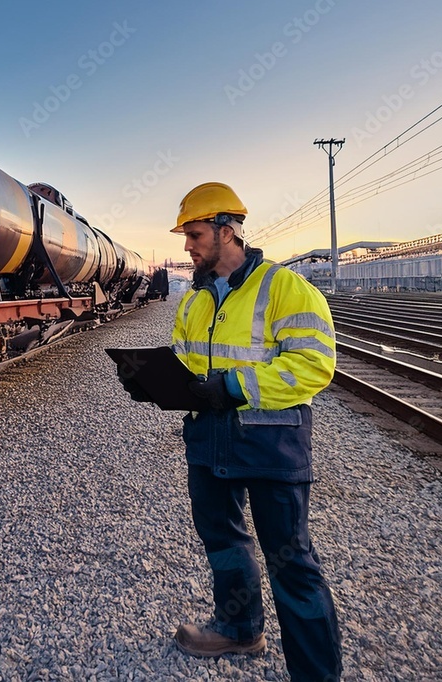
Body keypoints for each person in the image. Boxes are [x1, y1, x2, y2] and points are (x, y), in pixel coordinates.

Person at [119, 182, 342, 681]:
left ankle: (318, 674)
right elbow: (187, 365)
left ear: (227, 231)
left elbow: (314, 365)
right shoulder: (195, 302)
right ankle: (240, 628)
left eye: (194, 234)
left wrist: (235, 386)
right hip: (208, 440)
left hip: (270, 442)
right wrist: (152, 383)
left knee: (293, 564)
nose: (187, 246)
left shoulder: (285, 288)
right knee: (222, 539)